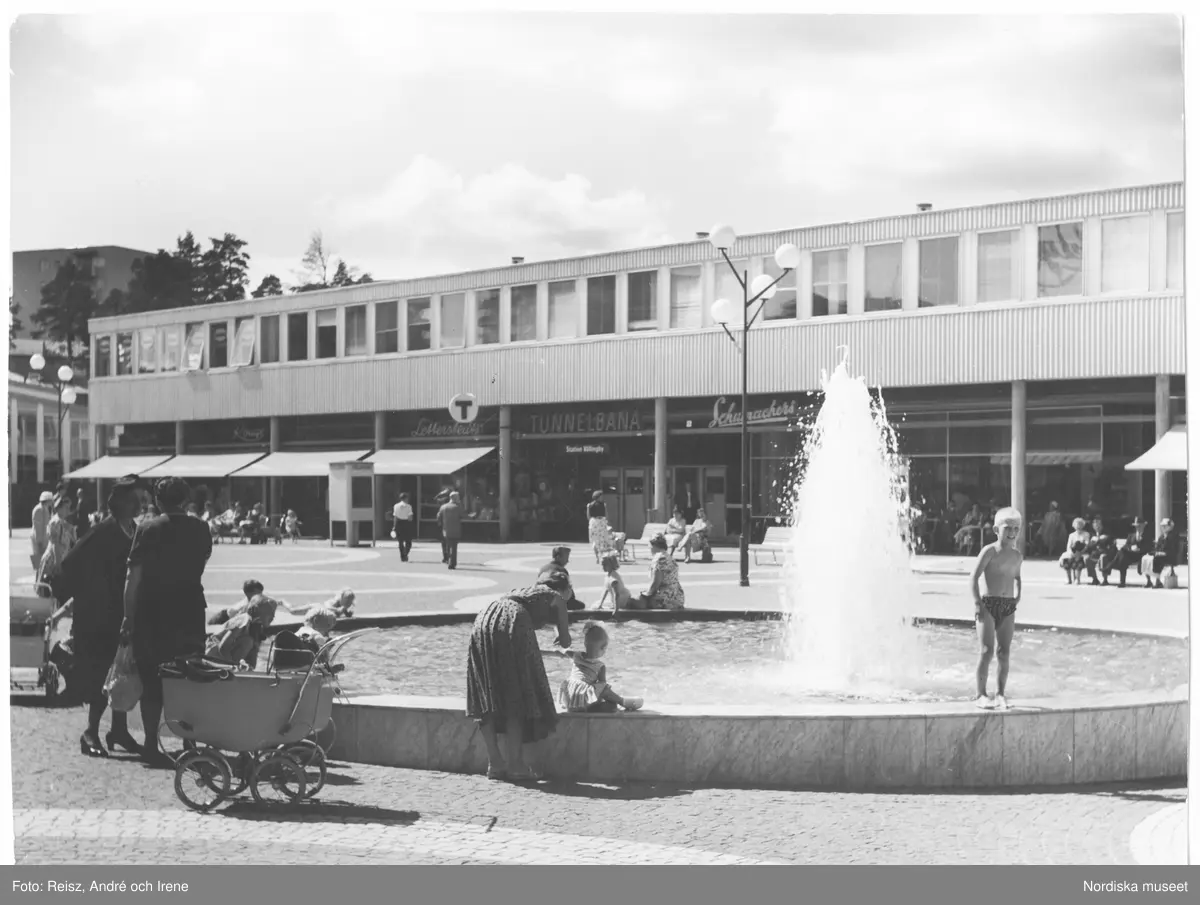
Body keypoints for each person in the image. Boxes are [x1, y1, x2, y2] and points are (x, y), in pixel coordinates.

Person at [119, 477, 214, 766]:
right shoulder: (201, 528)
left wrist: (127, 617)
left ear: (158, 501)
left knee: (151, 680)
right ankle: (189, 741)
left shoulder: (147, 528)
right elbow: (203, 560)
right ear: (185, 500)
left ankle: (150, 744)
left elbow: (132, 579)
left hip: (153, 613)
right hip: (189, 610)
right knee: (189, 678)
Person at [54, 476, 147, 759]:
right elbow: (69, 565)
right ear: (119, 501)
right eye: (134, 499)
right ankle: (90, 732)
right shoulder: (103, 531)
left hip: (122, 614)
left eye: (140, 499)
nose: (139, 504)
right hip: (99, 617)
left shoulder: (133, 529)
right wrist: (89, 595)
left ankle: (118, 730)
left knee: (121, 671)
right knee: (100, 674)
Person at [466, 572, 575, 782]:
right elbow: (566, 641)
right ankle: (516, 764)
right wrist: (561, 632)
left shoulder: (523, 592)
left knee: (486, 691)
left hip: (484, 619)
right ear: (565, 588)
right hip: (513, 621)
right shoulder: (558, 597)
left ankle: (495, 763)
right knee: (515, 691)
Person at [969, 508, 1024, 710]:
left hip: (1008, 605)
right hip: (988, 603)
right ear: (995, 529)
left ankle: (1000, 693)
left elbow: (1017, 577)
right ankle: (981, 693)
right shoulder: (989, 551)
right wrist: (977, 602)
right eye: (1007, 527)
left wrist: (1017, 596)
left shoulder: (1017, 555)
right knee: (986, 650)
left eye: (1016, 528)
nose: (1012, 532)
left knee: (1004, 651)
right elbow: (974, 577)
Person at [547, 622, 643, 713]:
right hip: (583, 702)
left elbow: (558, 653)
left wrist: (541, 652)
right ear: (604, 648)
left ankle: (593, 707)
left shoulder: (576, 655)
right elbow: (602, 688)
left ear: (585, 644)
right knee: (605, 689)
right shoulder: (600, 666)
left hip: (569, 700)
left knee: (603, 697)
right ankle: (622, 701)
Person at [205, 595, 279, 670]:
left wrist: (251, 668)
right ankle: (232, 669)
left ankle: (234, 668)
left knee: (251, 642)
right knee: (247, 641)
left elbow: (254, 653)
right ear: (257, 611)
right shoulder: (243, 620)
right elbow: (223, 647)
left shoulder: (257, 627)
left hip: (222, 655)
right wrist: (233, 666)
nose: (273, 616)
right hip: (212, 653)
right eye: (270, 613)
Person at [628, 533, 686, 610]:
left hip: (665, 599)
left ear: (653, 545)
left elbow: (655, 583)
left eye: (649, 546)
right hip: (678, 597)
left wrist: (644, 596)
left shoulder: (659, 558)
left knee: (632, 601)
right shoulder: (669, 557)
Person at [37, 494, 78, 594]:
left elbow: (73, 540)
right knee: (50, 589)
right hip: (53, 559)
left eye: (69, 507)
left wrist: (72, 530)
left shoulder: (64, 522)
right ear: (58, 508)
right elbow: (56, 544)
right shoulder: (55, 522)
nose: (68, 510)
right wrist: (58, 562)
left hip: (61, 558)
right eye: (66, 507)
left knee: (58, 590)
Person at [537, 546, 586, 610]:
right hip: (556, 601)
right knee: (581, 606)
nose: (568, 561)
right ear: (558, 557)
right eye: (566, 558)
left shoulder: (542, 569)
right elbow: (569, 595)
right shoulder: (561, 570)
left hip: (541, 600)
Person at [1109, 516, 1152, 588]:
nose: (1138, 528)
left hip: (1142, 555)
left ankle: (1111, 564)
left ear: (1143, 526)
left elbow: (1149, 546)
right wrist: (1131, 548)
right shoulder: (1131, 535)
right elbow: (1126, 546)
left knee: (1122, 554)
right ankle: (1122, 582)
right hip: (1132, 555)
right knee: (1122, 555)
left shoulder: (1147, 535)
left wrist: (1139, 549)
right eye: (1137, 526)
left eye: (1140, 526)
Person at [1143, 518, 1183, 589]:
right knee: (1145, 558)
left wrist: (1164, 553)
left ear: (1170, 527)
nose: (1163, 527)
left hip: (1170, 556)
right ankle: (1149, 581)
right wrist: (1155, 552)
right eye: (1162, 526)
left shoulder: (1174, 536)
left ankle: (1157, 581)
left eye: (1165, 526)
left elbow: (1175, 549)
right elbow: (1157, 548)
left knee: (1157, 559)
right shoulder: (1161, 537)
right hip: (1160, 555)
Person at [1084, 518, 1117, 586]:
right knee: (1087, 559)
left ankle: (1105, 580)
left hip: (1106, 554)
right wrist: (1093, 542)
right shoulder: (1092, 534)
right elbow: (1089, 546)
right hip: (1095, 554)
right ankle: (1095, 579)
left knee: (1103, 557)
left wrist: (1098, 540)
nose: (1097, 528)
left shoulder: (1107, 533)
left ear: (1102, 526)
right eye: (1095, 526)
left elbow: (1111, 545)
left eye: (1098, 526)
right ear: (1093, 527)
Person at [1058, 518, 1090, 585]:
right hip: (1072, 552)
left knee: (1078, 560)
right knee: (1066, 559)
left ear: (1083, 525)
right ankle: (1069, 579)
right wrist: (1073, 553)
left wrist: (1080, 552)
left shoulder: (1086, 534)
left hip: (1082, 553)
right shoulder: (1071, 535)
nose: (1078, 526)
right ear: (1074, 526)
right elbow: (1068, 547)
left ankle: (1077, 579)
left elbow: (1087, 545)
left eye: (1080, 525)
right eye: (1077, 525)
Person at [586, 490, 615, 563]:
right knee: (603, 540)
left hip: (594, 523)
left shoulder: (589, 505)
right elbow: (606, 515)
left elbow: (588, 516)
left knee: (595, 541)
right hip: (601, 522)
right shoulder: (603, 505)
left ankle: (597, 557)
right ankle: (602, 556)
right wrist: (607, 522)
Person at [437, 491, 463, 569]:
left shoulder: (443, 507)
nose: (459, 499)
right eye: (458, 497)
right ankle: (452, 563)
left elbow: (438, 517)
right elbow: (463, 515)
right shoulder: (457, 507)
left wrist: (441, 524)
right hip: (455, 530)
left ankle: (448, 559)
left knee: (448, 546)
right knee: (454, 547)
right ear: (454, 498)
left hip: (446, 530)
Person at [30, 491, 53, 572]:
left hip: (43, 539)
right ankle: (37, 579)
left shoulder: (45, 509)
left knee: (42, 562)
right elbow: (37, 528)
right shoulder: (38, 510)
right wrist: (39, 542)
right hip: (38, 540)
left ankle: (40, 577)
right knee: (38, 561)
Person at [392, 493, 415, 561]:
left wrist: (394, 526)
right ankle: (405, 554)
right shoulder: (408, 506)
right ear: (406, 498)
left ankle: (402, 556)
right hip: (406, 524)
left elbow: (395, 517)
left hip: (398, 523)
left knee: (400, 541)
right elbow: (410, 518)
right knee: (408, 541)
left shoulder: (396, 506)